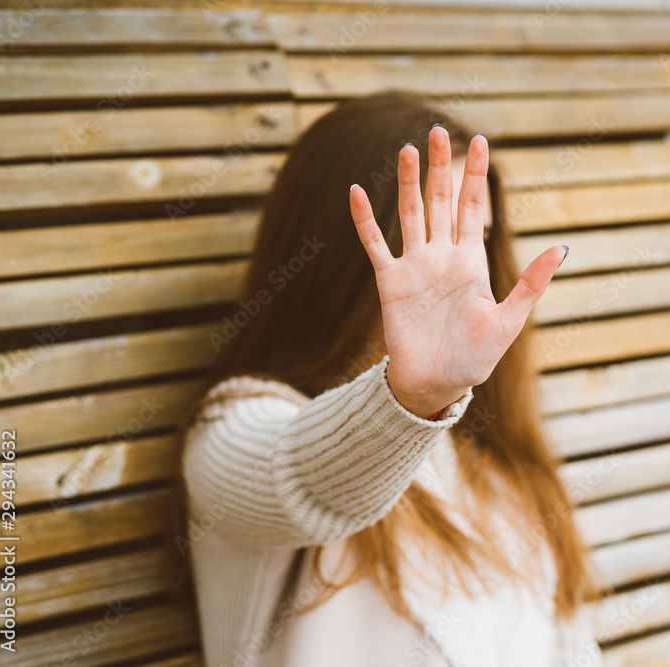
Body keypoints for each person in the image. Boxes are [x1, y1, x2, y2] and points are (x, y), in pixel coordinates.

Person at [168, 90, 606, 667]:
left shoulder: (499, 464)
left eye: (477, 237)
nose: (465, 270)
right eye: (430, 237)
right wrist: (414, 396)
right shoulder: (232, 428)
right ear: (338, 256)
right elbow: (300, 479)